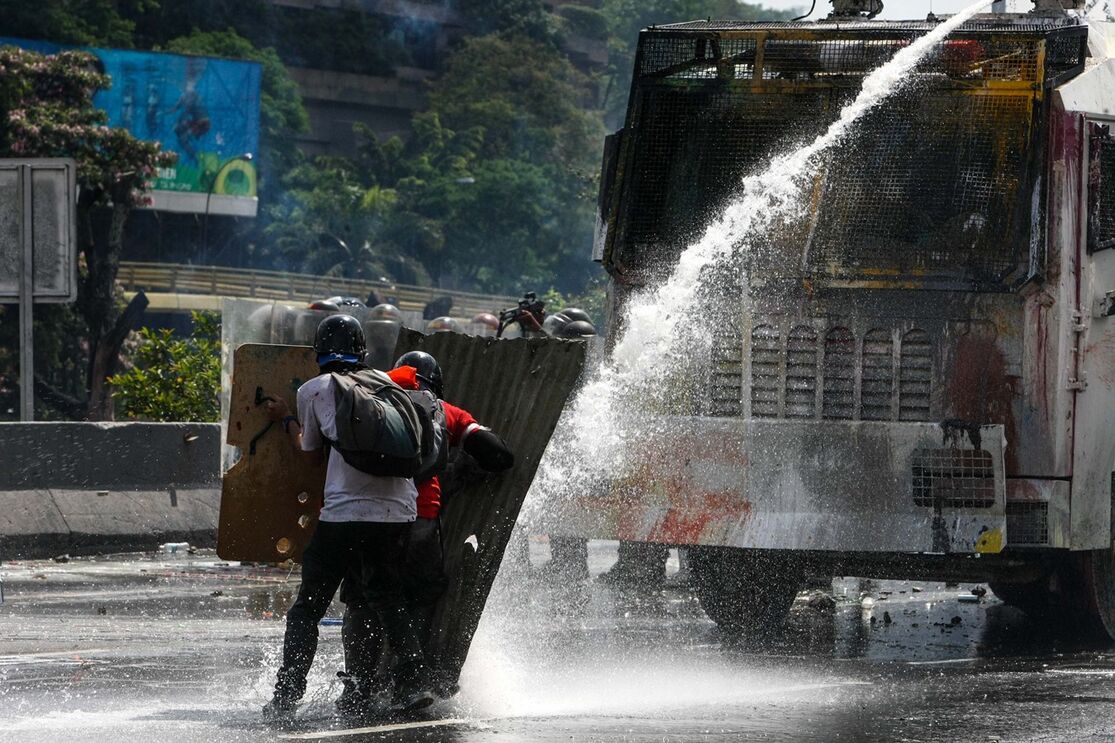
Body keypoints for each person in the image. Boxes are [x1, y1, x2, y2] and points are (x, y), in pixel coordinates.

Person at [261, 314, 434, 720]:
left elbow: (308, 449)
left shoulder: (315, 389)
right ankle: (412, 684)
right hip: (398, 512)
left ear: (319, 352)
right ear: (361, 352)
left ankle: (287, 695)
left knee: (308, 607)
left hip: (344, 514)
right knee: (388, 598)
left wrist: (286, 418)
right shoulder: (390, 385)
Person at [336, 350, 514, 713]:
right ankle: (407, 685)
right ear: (436, 383)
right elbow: (498, 455)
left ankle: (357, 687)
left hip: (365, 515)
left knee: (360, 600)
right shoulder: (444, 411)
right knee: (416, 599)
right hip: (419, 518)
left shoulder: (368, 397)